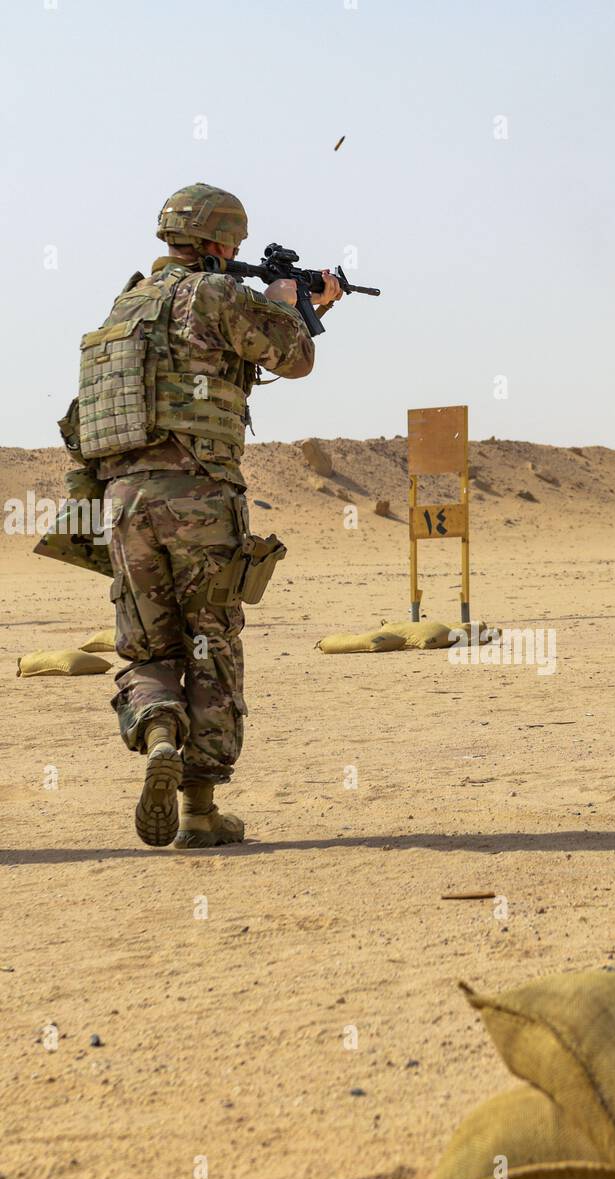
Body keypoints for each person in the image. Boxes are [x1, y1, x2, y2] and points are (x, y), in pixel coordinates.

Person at [71, 182, 340, 848]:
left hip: (124, 500)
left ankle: (159, 730)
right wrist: (292, 306)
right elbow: (295, 358)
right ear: (222, 242)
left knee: (146, 643)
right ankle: (198, 812)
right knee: (209, 644)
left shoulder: (124, 306)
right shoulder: (218, 295)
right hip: (200, 499)